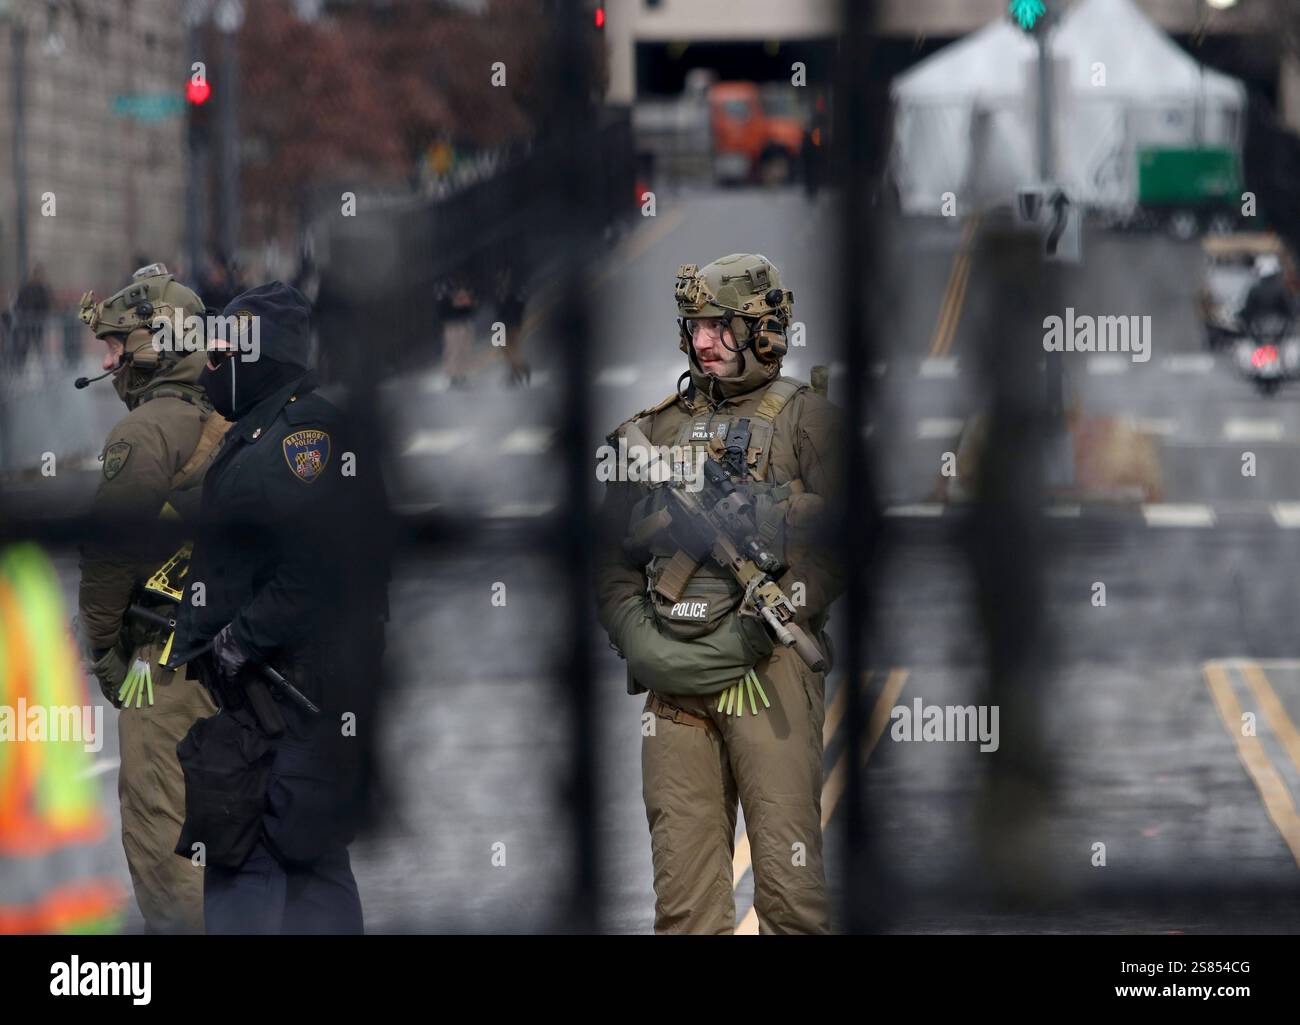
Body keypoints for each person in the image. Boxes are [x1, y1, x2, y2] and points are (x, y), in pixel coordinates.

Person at [596, 253, 844, 934]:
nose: (701, 339)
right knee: (685, 908)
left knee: (790, 899)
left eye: (718, 325)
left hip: (771, 678)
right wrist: (637, 635)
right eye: (694, 325)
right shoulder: (656, 428)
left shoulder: (806, 420)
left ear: (761, 329)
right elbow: (609, 557)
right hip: (675, 691)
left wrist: (776, 612)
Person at [167, 281, 389, 934]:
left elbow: (319, 567)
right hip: (285, 710)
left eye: (223, 353)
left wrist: (241, 637)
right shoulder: (266, 431)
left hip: (286, 709)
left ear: (260, 356)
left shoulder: (301, 439)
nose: (212, 366)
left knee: (247, 860)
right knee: (313, 869)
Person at [76, 264, 227, 934]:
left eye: (117, 344)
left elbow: (109, 561)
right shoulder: (223, 419)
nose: (107, 361)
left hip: (156, 669)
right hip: (224, 661)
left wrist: (103, 650)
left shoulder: (140, 435)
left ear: (153, 345)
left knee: (161, 840)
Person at [1240, 253, 1294, 337]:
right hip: (1278, 334)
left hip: (1259, 333)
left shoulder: (1254, 289)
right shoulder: (1282, 289)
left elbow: (1247, 311)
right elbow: (1290, 310)